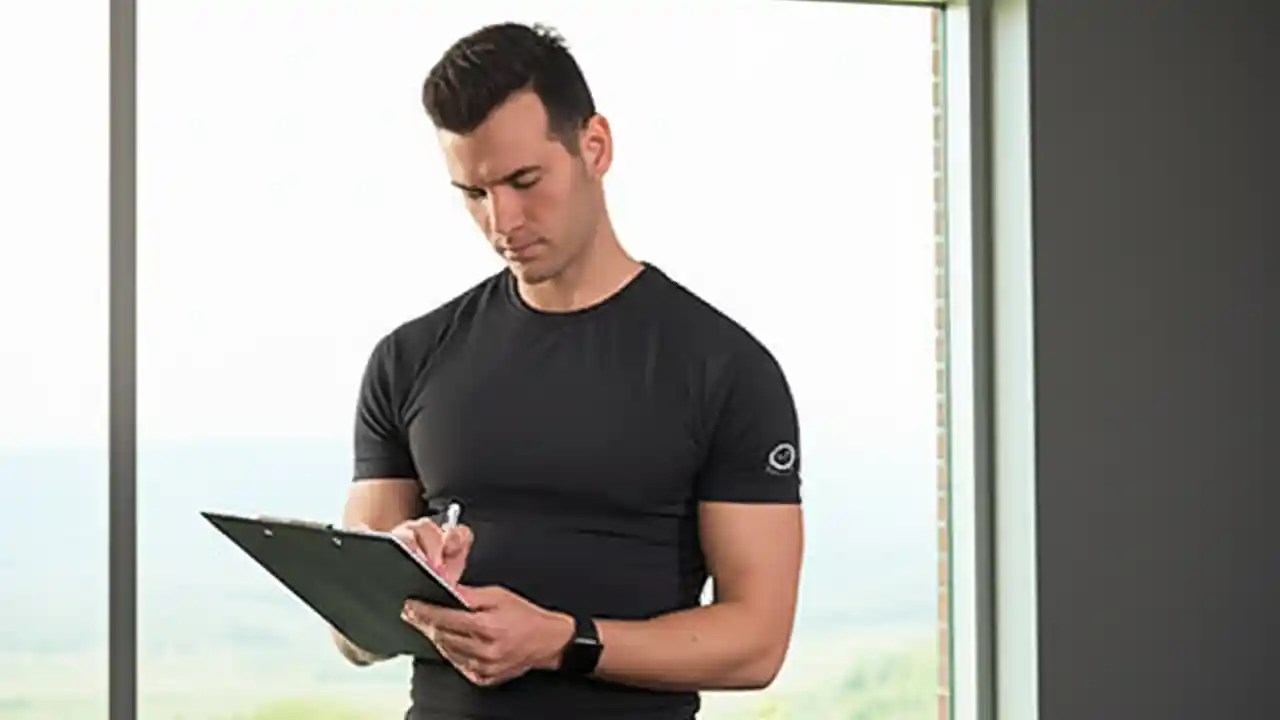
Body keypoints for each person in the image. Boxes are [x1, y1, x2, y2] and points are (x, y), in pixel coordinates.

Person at [331, 20, 804, 720]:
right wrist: (399, 580)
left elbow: (756, 644)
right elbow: (351, 635)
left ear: (595, 147)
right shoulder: (408, 358)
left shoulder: (724, 368)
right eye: (474, 192)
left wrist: (561, 640)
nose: (503, 221)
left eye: (524, 180)